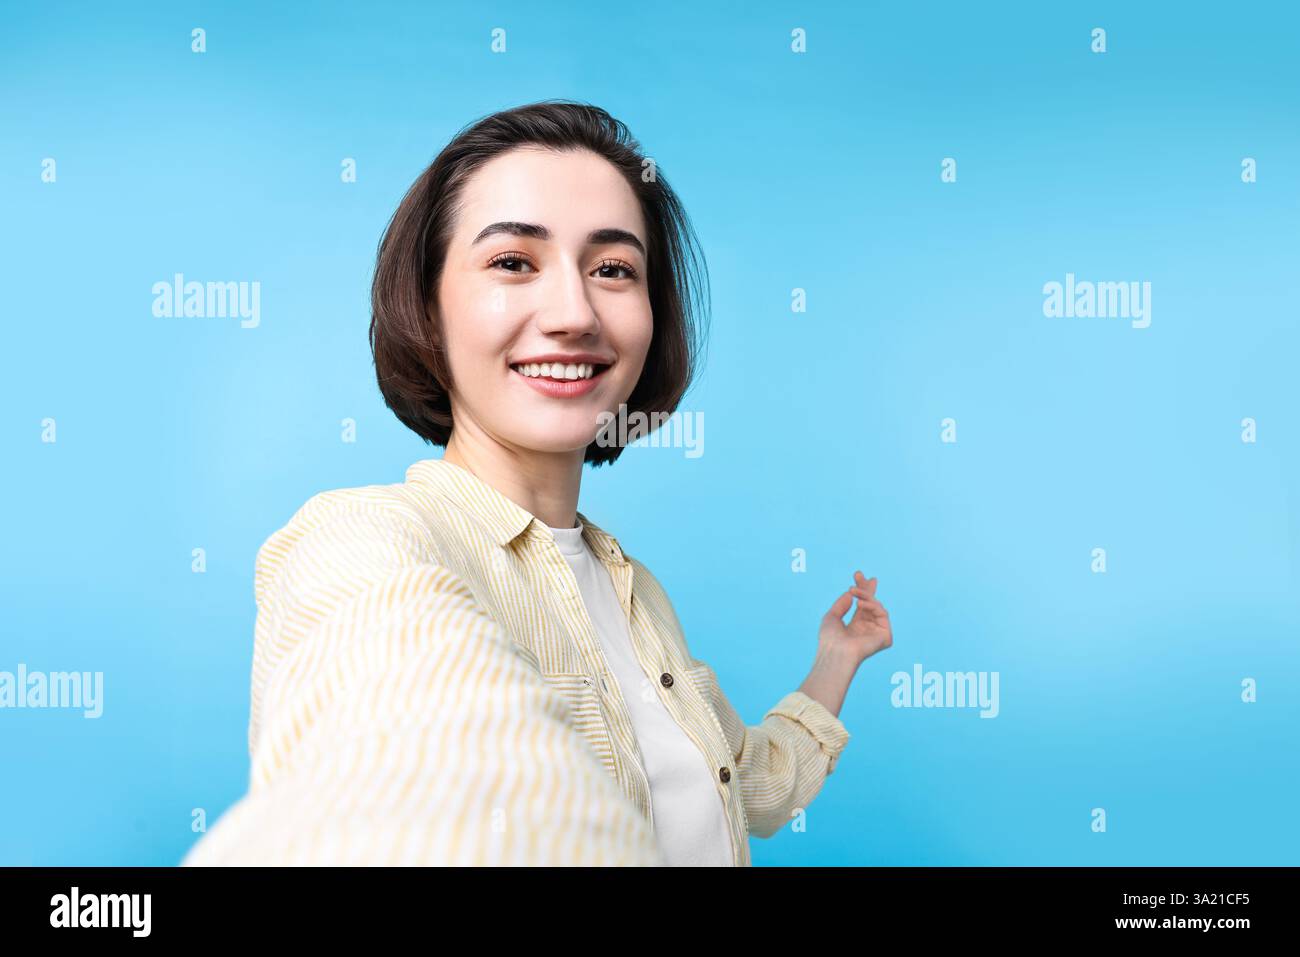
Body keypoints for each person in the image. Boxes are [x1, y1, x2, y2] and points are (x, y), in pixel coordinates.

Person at [183, 100, 893, 867]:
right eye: (514, 262)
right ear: (427, 305)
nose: (574, 313)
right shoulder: (362, 539)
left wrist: (836, 659)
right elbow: (397, 762)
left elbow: (744, 786)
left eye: (613, 269)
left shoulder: (638, 593)